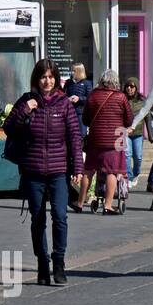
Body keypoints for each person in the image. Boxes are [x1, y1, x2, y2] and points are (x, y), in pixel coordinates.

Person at [4, 58, 83, 286]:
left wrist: (77, 166)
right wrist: (24, 110)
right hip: (33, 170)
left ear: (56, 79)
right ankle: (42, 263)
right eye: (43, 77)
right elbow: (8, 128)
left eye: (51, 77)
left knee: (60, 216)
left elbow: (74, 138)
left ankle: (59, 262)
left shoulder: (64, 103)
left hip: (58, 170)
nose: (47, 81)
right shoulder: (27, 100)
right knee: (37, 219)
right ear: (36, 79)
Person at [79, 69, 131, 215]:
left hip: (95, 140)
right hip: (114, 141)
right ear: (115, 81)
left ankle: (80, 203)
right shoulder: (121, 97)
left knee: (88, 170)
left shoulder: (93, 95)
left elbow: (85, 119)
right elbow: (128, 120)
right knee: (111, 172)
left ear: (102, 80)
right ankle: (108, 206)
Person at [62, 62, 93, 206]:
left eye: (73, 70)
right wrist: (67, 99)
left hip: (80, 115)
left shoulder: (86, 83)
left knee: (78, 139)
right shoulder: (68, 83)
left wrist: (79, 99)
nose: (71, 72)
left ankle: (78, 160)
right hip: (68, 114)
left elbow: (90, 99)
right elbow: (62, 96)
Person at [123, 77, 146, 186]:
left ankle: (136, 173)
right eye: (127, 86)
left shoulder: (142, 101)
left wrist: (151, 135)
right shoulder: (122, 98)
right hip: (126, 132)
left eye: (132, 86)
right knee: (127, 154)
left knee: (138, 156)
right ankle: (129, 177)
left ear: (136, 87)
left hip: (138, 133)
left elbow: (147, 116)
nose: (129, 88)